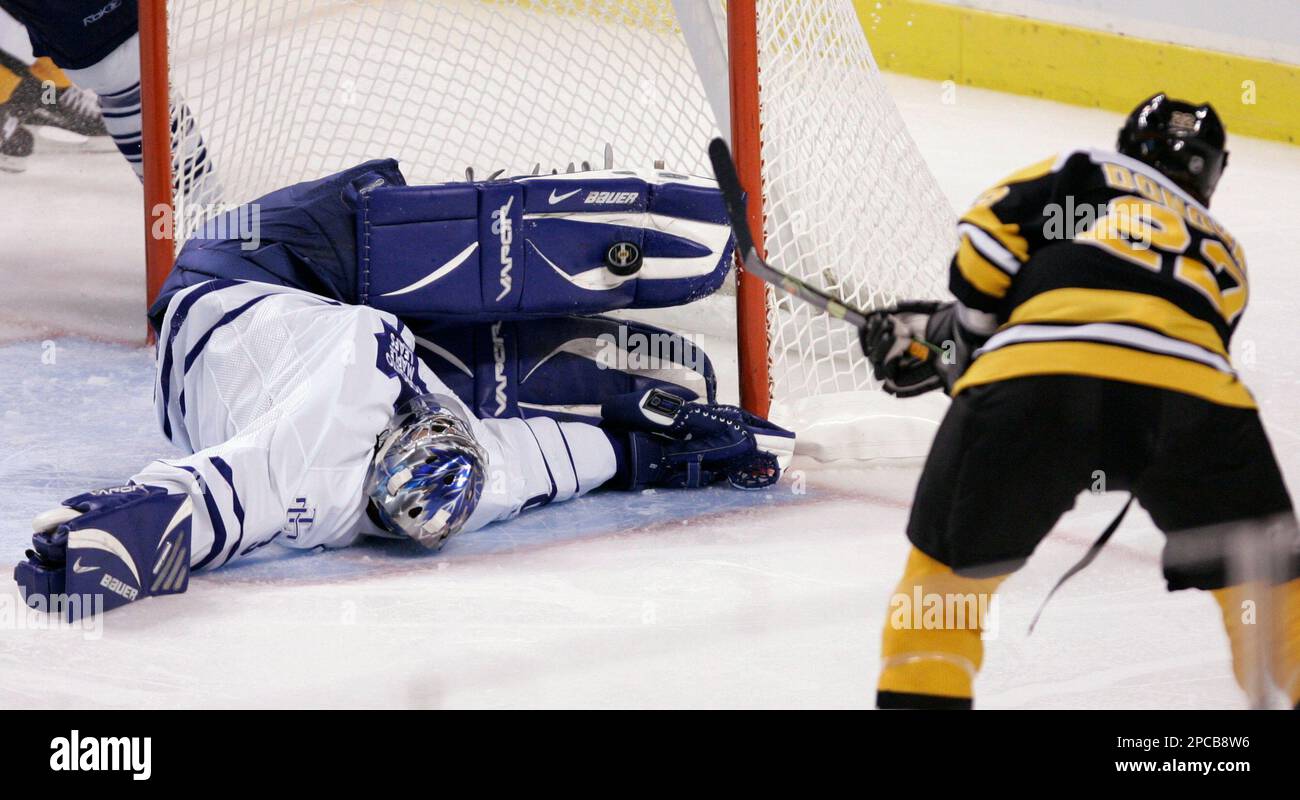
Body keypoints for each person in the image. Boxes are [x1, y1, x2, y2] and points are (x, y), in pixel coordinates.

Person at [14, 161, 795, 619]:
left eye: (421, 422)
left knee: (387, 228)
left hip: (219, 281)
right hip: (270, 350)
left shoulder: (307, 475)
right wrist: (647, 453)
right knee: (491, 372)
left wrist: (90, 546)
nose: (431, 417)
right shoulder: (467, 479)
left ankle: (462, 231)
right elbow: (548, 460)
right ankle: (474, 292)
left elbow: (201, 510)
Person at [859, 93, 1300, 709]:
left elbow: (986, 245)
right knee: (1277, 603)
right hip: (1200, 407)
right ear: (1212, 172)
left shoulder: (1085, 168)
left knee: (941, 596)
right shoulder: (1226, 250)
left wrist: (959, 345)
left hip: (1040, 382)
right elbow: (1158, 342)